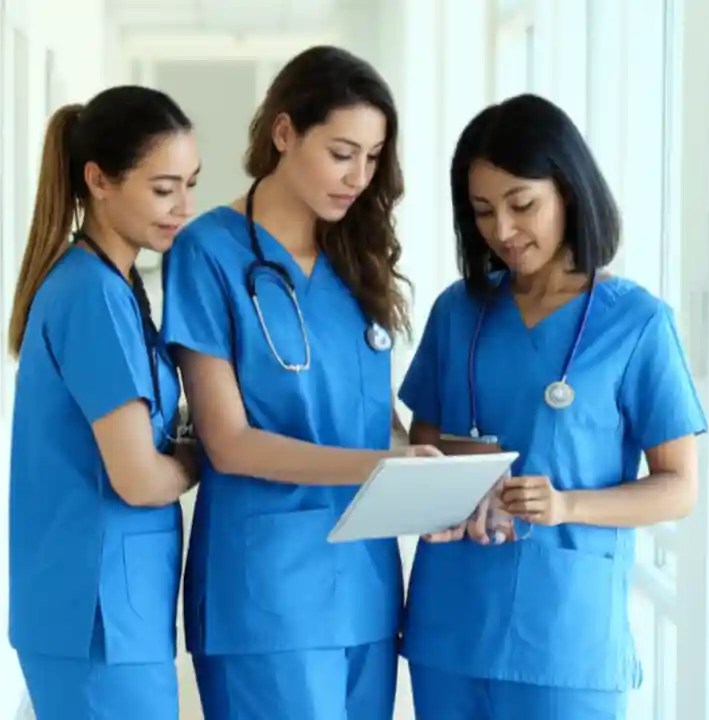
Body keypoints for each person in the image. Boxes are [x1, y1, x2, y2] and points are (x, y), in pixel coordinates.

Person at [397, 93, 708, 720]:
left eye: (522, 204)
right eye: (483, 211)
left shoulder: (637, 324)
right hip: (453, 622)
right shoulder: (458, 312)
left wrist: (567, 505)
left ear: (569, 189)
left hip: (568, 632)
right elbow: (420, 451)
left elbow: (678, 488)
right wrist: (451, 484)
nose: (503, 232)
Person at [160, 45, 439, 719]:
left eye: (373, 159)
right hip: (267, 593)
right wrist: (380, 464)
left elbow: (377, 422)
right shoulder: (210, 252)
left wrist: (432, 473)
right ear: (284, 133)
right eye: (342, 152)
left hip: (366, 586)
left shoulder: (358, 257)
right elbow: (228, 443)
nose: (358, 177)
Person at [6, 85, 201, 720]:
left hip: (113, 611)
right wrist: (207, 455)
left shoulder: (113, 286)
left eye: (189, 186)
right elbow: (140, 478)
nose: (183, 207)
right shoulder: (91, 294)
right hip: (95, 616)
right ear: (99, 180)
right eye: (163, 188)